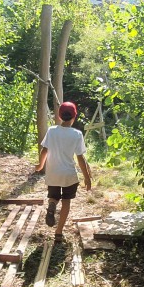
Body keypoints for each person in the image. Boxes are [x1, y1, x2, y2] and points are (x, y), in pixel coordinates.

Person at [35, 101, 92, 236]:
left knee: (53, 197)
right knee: (66, 202)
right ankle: (59, 232)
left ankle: (52, 205)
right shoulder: (77, 134)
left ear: (59, 116)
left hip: (53, 173)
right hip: (69, 175)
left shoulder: (52, 130)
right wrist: (87, 177)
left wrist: (40, 165)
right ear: (74, 117)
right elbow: (80, 158)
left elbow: (44, 150)